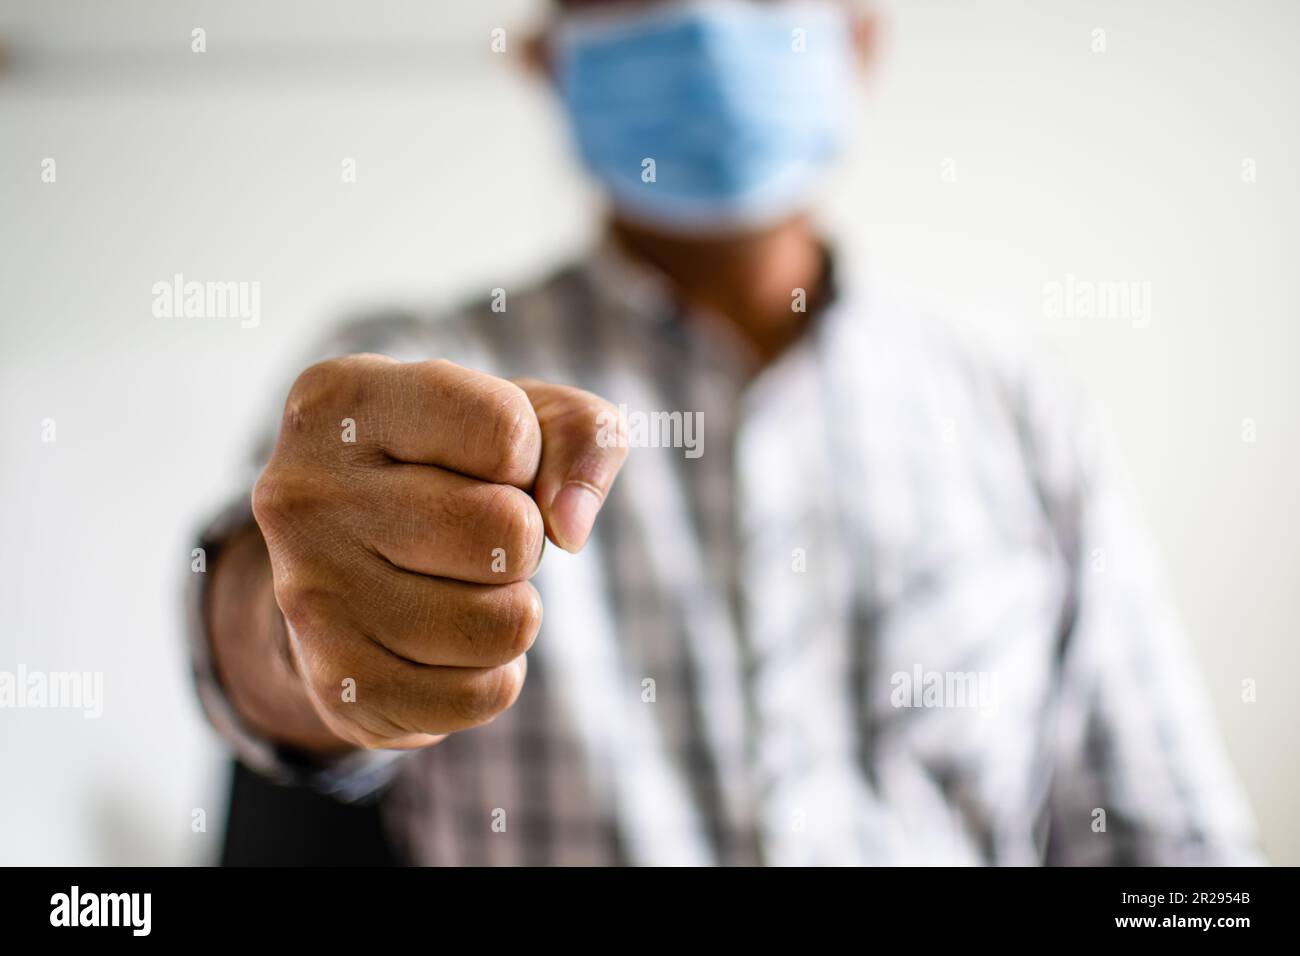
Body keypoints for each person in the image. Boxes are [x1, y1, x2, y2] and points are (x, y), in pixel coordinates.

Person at [190, 0, 1259, 865]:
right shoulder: (419, 370)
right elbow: (257, 622)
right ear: (547, 59)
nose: (703, 17)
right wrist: (299, 631)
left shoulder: (1017, 412)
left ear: (861, 36)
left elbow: (1171, 843)